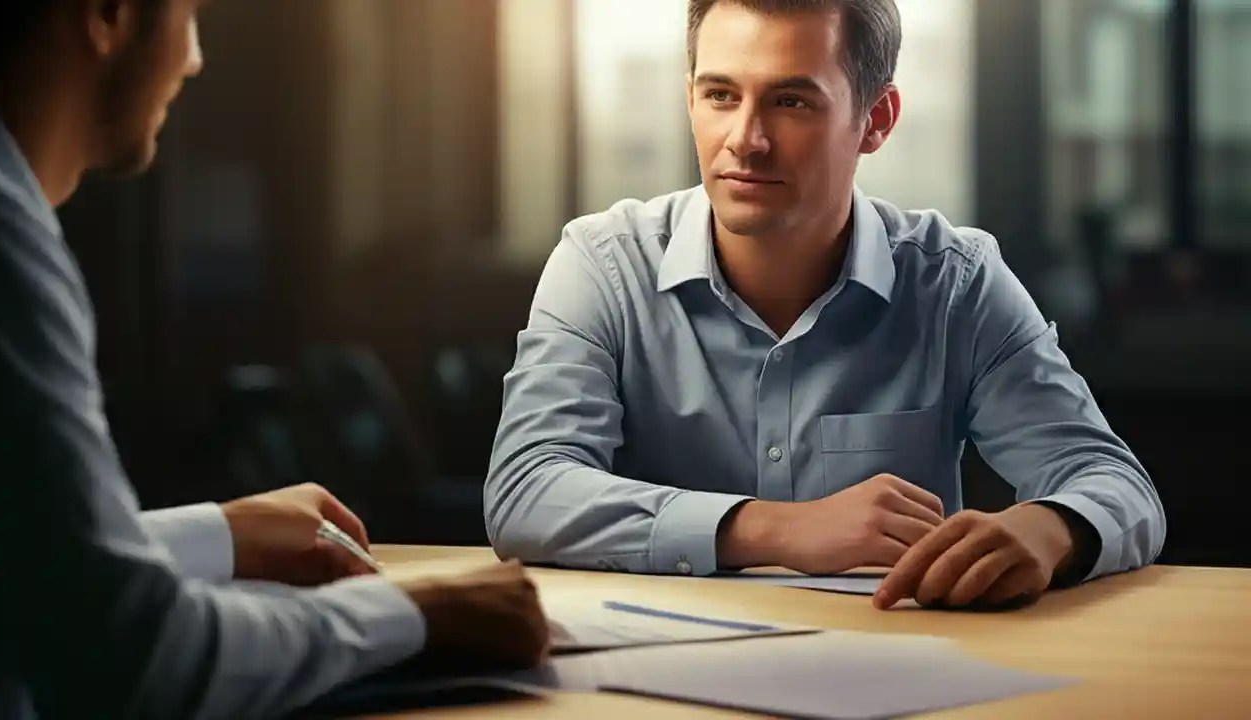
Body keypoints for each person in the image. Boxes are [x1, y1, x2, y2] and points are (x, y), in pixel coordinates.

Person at [485, 0, 1165, 612]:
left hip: (892, 663)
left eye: (792, 102)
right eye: (720, 95)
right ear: (690, 98)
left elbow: (1114, 484)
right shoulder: (604, 266)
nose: (745, 139)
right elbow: (526, 490)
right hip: (646, 670)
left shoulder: (955, 282)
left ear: (877, 120)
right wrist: (779, 528)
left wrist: (1047, 531)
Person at [0, 0, 548, 717]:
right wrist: (418, 615)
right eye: (189, 13)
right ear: (109, 12)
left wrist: (219, 534)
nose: (193, 59)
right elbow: (136, 657)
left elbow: (25, 575)